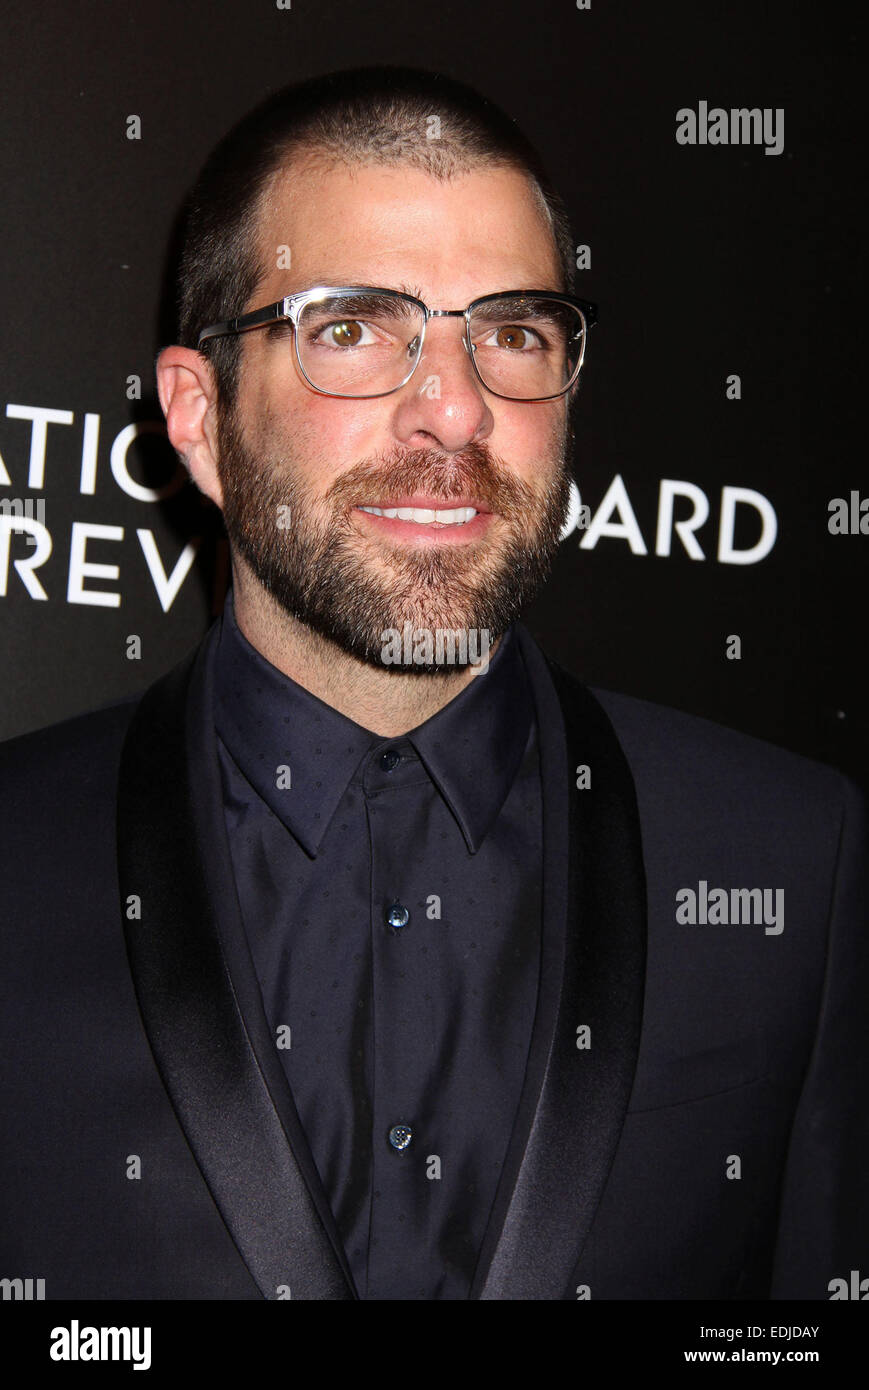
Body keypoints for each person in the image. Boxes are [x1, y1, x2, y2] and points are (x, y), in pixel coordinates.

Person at [1, 66, 866, 1302]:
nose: (453, 409)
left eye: (511, 331)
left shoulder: (792, 861)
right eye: (350, 327)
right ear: (199, 419)